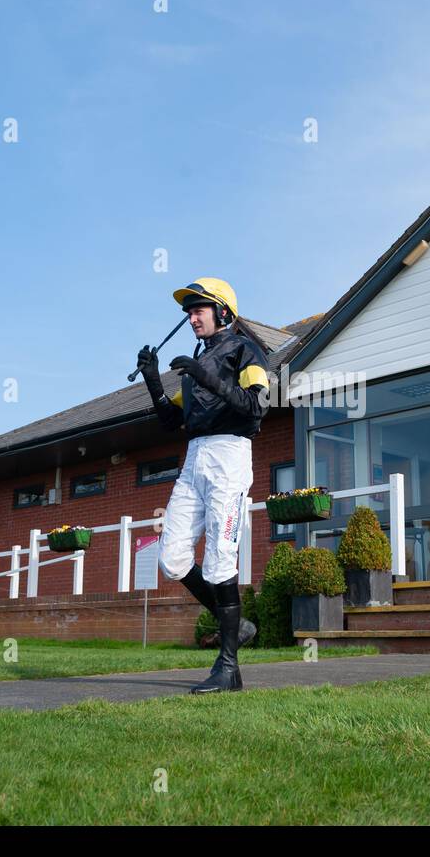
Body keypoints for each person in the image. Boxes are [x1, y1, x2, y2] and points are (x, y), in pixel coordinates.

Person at [136, 278, 269, 693]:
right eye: (188, 312)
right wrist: (153, 380)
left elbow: (256, 407)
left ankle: (228, 669)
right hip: (194, 460)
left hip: (230, 457)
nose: (192, 318)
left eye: (199, 310)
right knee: (172, 558)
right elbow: (170, 421)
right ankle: (238, 626)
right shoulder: (198, 363)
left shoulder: (247, 350)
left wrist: (206, 377)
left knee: (218, 562)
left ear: (223, 313)